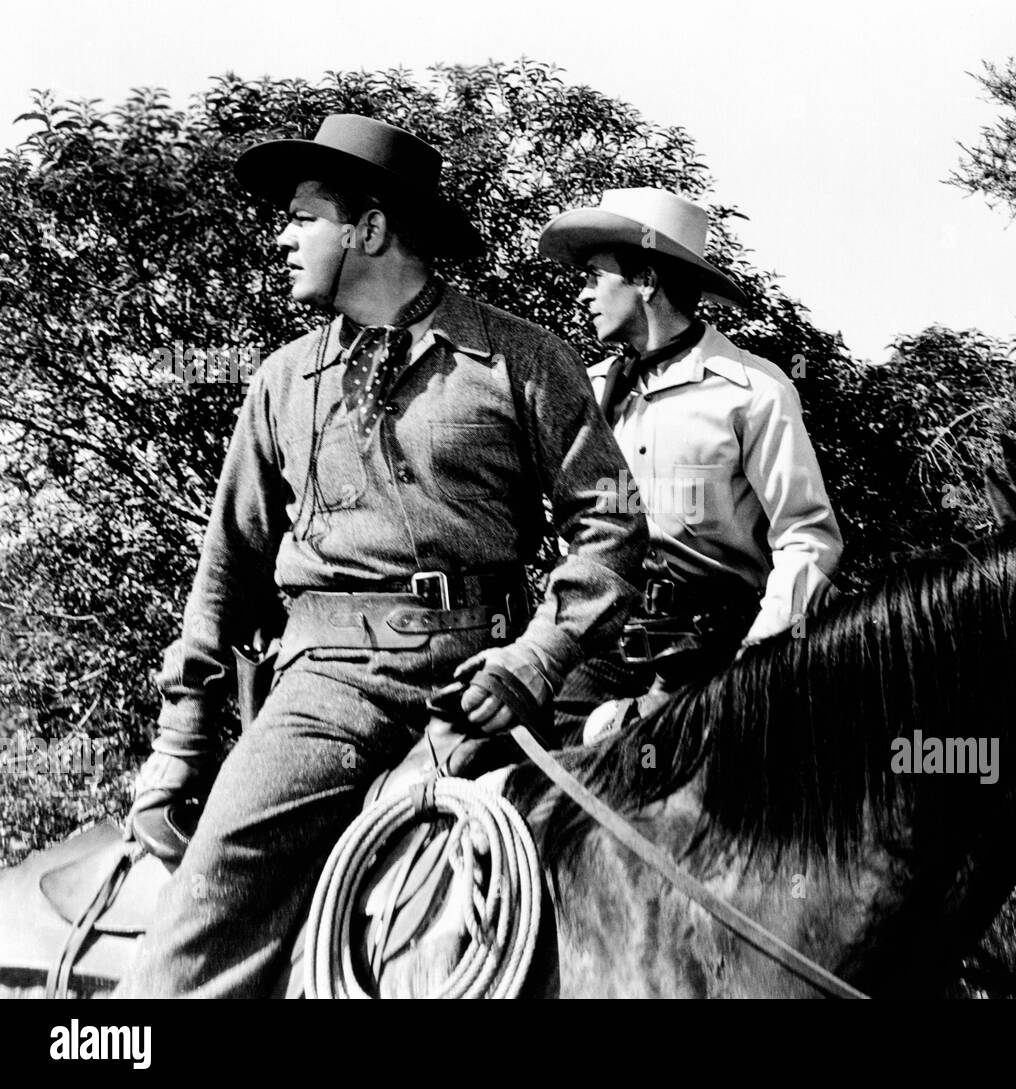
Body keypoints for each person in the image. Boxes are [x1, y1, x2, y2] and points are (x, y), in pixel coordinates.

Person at [116, 115, 646, 996]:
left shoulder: (520, 360)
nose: (283, 238)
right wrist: (182, 737)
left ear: (368, 230)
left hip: (488, 680)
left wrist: (534, 660)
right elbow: (229, 566)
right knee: (196, 928)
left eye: (304, 216)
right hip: (327, 687)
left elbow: (614, 523)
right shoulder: (282, 381)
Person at [537, 188, 842, 742]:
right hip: (607, 636)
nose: (583, 295)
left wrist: (759, 658)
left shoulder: (754, 392)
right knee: (524, 762)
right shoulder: (594, 388)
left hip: (715, 645)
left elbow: (807, 538)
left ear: (646, 280)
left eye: (594, 277)